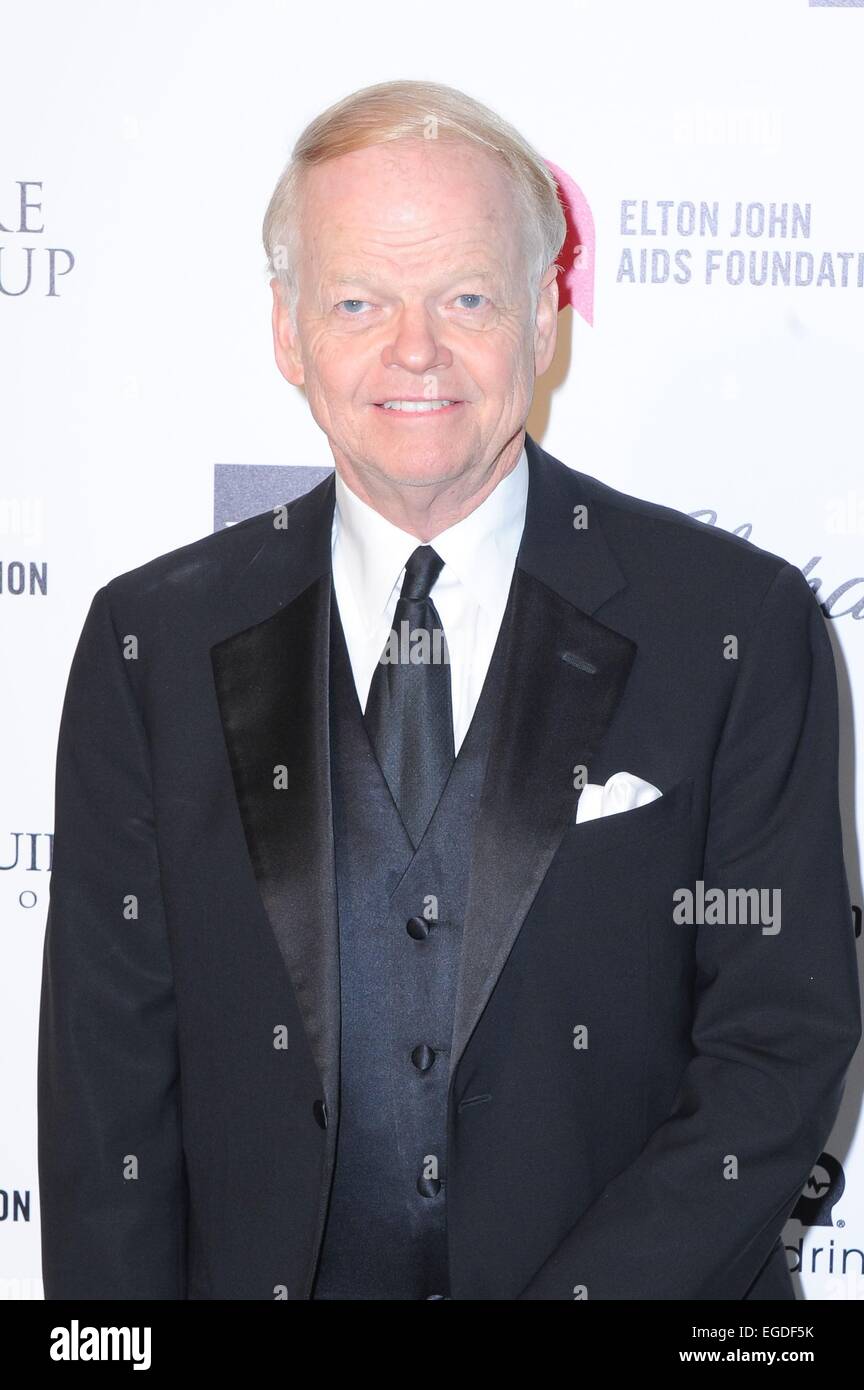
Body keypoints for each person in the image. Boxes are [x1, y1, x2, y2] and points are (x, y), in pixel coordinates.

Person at [37, 78, 861, 1300]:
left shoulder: (736, 628)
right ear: (288, 330)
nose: (413, 349)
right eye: (359, 299)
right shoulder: (149, 644)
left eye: (466, 298)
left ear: (543, 317)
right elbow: (107, 1090)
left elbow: (779, 1046)